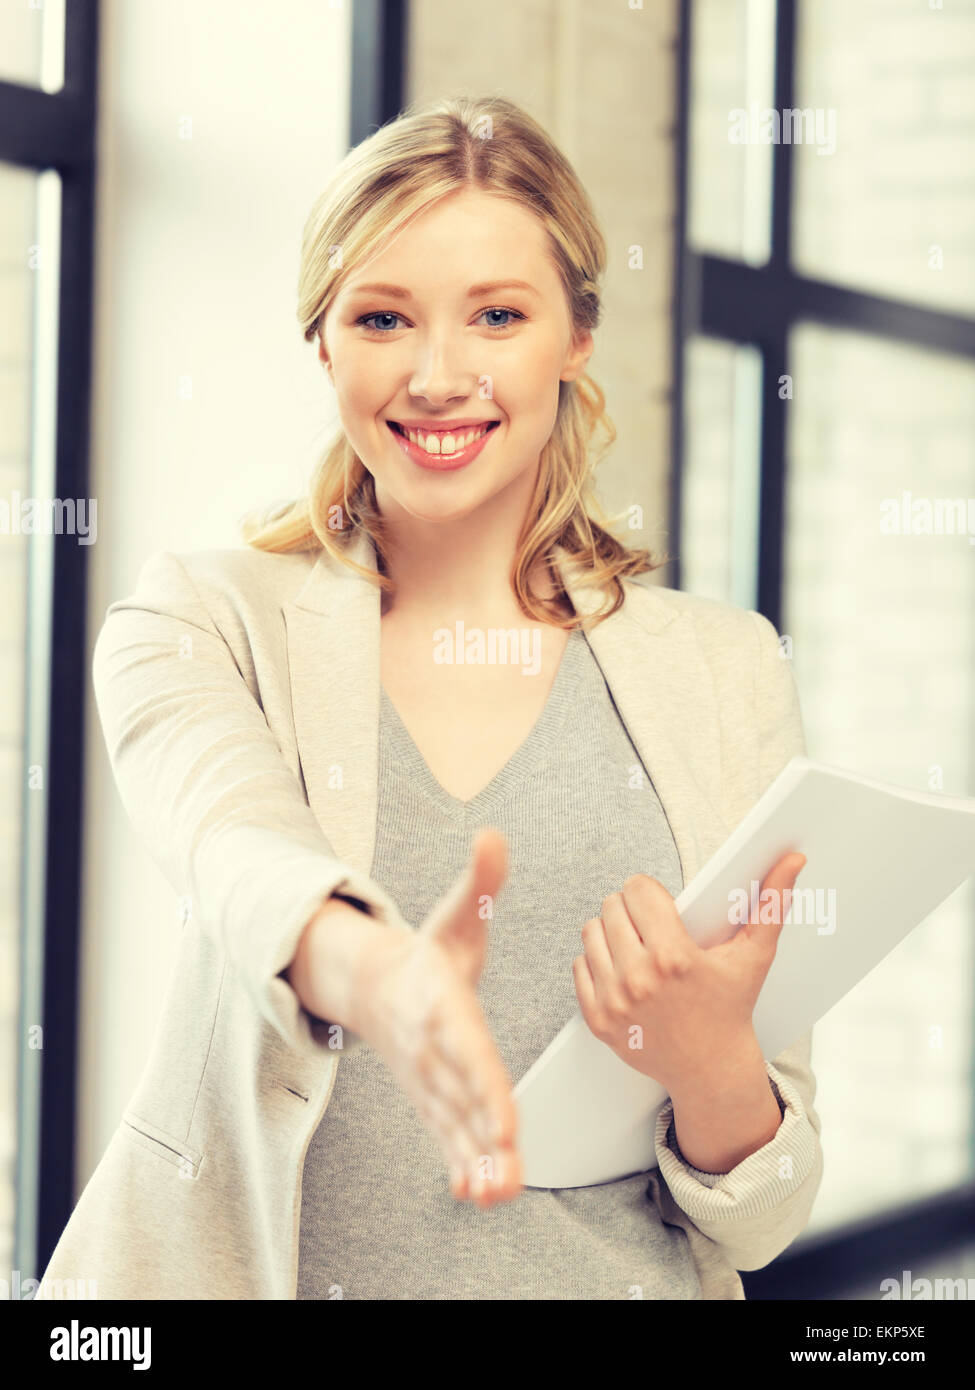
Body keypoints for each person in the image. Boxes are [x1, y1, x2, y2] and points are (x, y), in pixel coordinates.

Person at [38, 94, 822, 1302]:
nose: (438, 375)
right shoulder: (197, 617)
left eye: (499, 315)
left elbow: (766, 1218)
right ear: (324, 344)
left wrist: (715, 1062)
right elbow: (233, 845)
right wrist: (373, 974)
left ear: (576, 337)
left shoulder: (728, 673)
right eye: (384, 317)